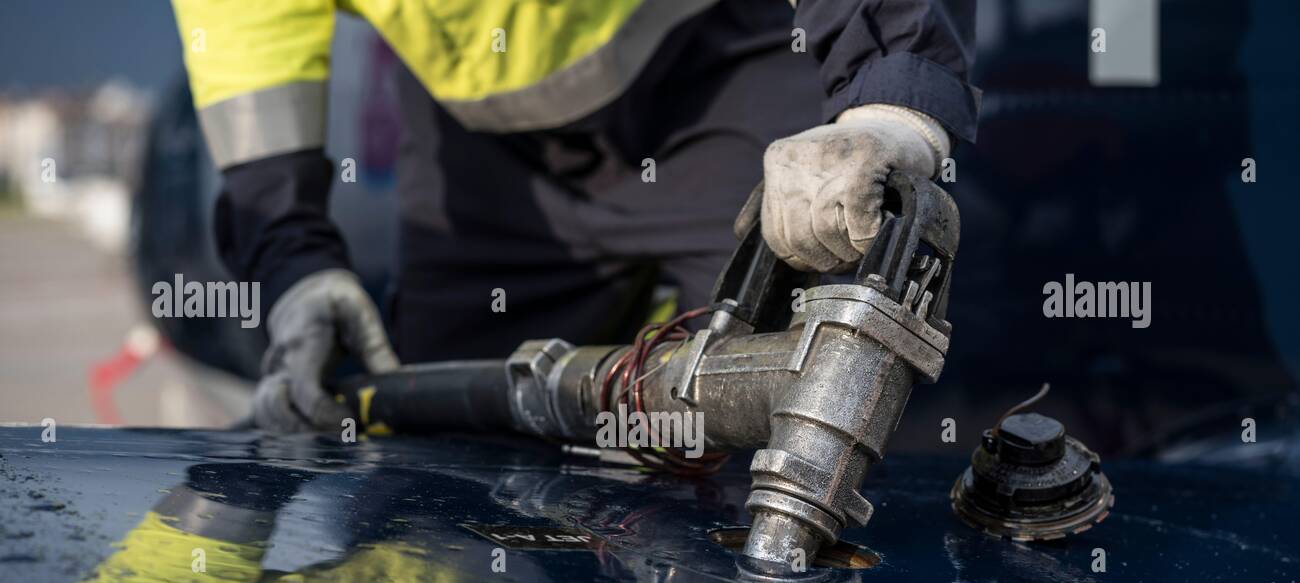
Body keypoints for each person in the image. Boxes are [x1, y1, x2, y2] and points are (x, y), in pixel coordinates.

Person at [170, 0, 979, 432]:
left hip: (721, 60)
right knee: (445, 476)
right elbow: (250, 48)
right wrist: (297, 264)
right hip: (480, 140)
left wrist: (889, 105)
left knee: (771, 421)